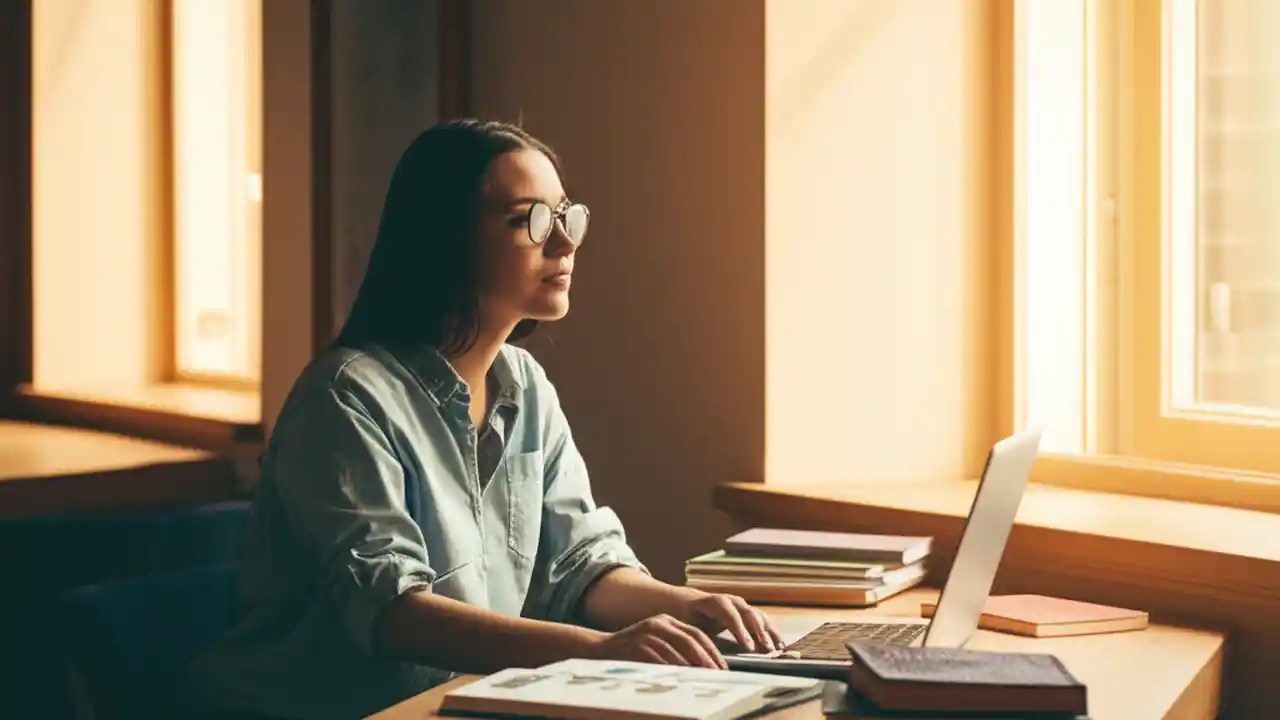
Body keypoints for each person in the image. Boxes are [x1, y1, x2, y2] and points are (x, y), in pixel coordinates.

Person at [194, 119, 782, 720]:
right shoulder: (345, 397)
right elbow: (393, 611)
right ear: (445, 238)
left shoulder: (524, 384)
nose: (564, 244)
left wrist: (689, 607)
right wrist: (601, 652)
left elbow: (579, 565)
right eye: (530, 221)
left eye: (566, 217)